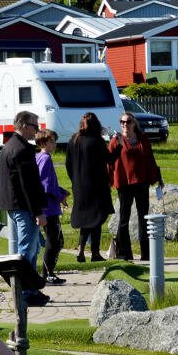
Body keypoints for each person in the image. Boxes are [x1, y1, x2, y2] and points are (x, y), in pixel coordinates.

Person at [0, 111, 48, 303]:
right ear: (25, 125)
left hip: (13, 204)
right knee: (27, 250)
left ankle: (31, 288)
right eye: (35, 126)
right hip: (24, 206)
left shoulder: (10, 144)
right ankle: (25, 292)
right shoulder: (22, 149)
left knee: (30, 248)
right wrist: (38, 212)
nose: (38, 130)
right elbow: (28, 185)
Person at [108, 110, 162, 261]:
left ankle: (147, 253)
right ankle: (124, 253)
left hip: (141, 182)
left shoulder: (142, 139)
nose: (125, 124)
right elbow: (109, 161)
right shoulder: (116, 140)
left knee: (144, 218)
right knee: (123, 218)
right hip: (124, 183)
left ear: (133, 124)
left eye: (128, 122)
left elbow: (150, 159)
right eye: (122, 122)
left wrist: (157, 177)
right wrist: (107, 180)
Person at [64, 112, 113, 262]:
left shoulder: (73, 140)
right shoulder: (96, 141)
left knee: (86, 219)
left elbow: (68, 164)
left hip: (79, 186)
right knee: (96, 219)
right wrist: (117, 145)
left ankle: (81, 249)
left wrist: (75, 179)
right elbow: (109, 159)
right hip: (97, 186)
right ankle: (95, 252)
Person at [34, 128, 69, 284]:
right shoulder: (45, 158)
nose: (55, 144)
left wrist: (61, 193)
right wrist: (61, 195)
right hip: (49, 207)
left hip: (46, 206)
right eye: (52, 141)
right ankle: (47, 273)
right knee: (55, 241)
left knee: (55, 240)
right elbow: (46, 185)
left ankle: (48, 272)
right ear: (44, 142)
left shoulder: (38, 157)